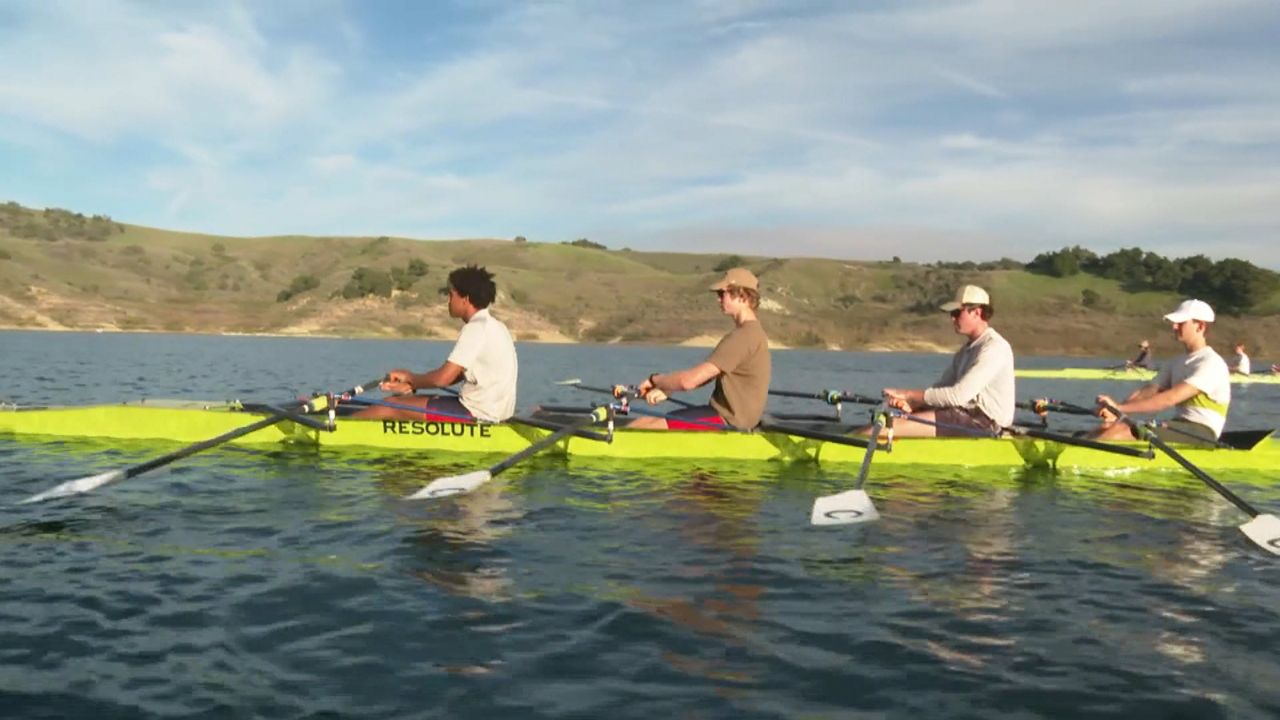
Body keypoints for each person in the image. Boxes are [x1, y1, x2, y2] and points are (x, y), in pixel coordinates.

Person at [357, 265, 517, 422]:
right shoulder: (496, 326)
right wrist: (412, 384)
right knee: (407, 400)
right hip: (493, 412)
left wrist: (410, 377)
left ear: (465, 299)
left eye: (451, 295)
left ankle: (338, 431)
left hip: (476, 413)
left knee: (389, 405)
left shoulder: (476, 328)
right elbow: (457, 374)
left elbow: (443, 379)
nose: (448, 301)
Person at [629, 267, 770, 430]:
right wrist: (667, 389)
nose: (718, 300)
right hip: (723, 415)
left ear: (742, 296)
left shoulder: (743, 337)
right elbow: (706, 376)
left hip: (728, 421)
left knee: (641, 429)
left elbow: (688, 382)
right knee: (642, 423)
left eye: (721, 294)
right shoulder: (749, 333)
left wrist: (655, 380)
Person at [874, 285, 1015, 437]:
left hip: (985, 424)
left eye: (956, 313)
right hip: (965, 415)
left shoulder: (994, 347)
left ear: (976, 312)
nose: (952, 318)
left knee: (882, 431)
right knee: (884, 424)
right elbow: (942, 389)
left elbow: (958, 396)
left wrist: (908, 394)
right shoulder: (966, 351)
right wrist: (914, 404)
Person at [1094, 299, 1229, 444]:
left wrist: (1119, 408)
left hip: (1203, 433)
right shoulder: (1175, 362)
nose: (1174, 326)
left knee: (1117, 434)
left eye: (1181, 323)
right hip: (1179, 425)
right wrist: (1117, 412)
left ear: (1200, 326)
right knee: (1105, 429)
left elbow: (1168, 399)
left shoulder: (1211, 363)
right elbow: (1148, 391)